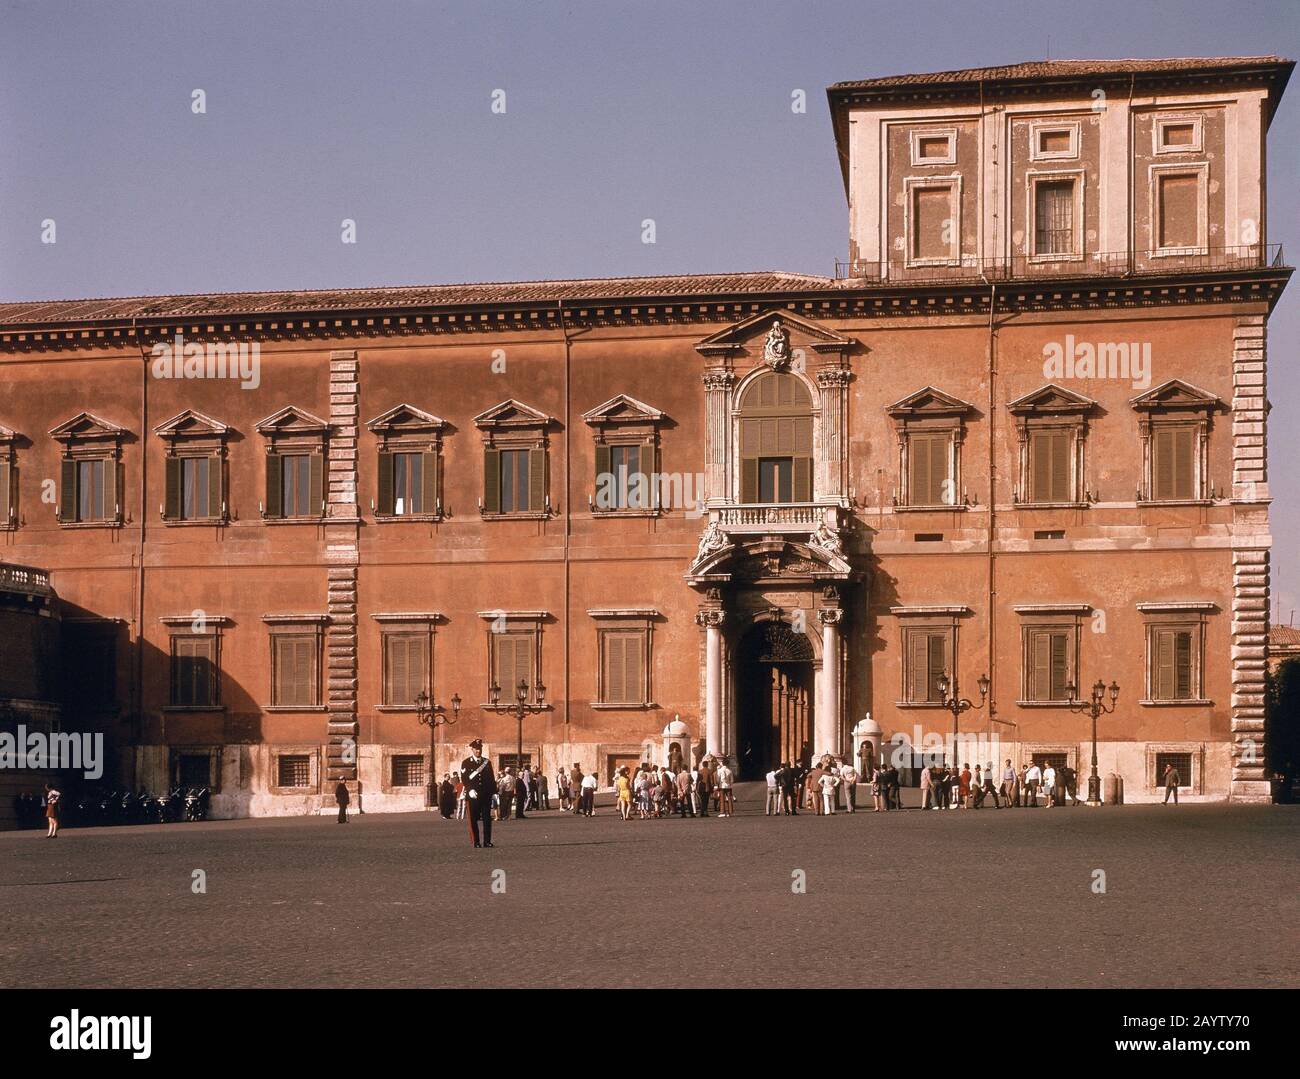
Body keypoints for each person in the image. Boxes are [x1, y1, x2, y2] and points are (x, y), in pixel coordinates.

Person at [461, 739, 497, 848]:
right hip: (473, 795)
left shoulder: (487, 762)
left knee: (487, 819)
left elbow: (491, 778)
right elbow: (464, 778)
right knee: (473, 819)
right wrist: (470, 789)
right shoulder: (466, 763)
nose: (478, 751)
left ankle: (487, 841)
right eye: (476, 749)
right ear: (472, 749)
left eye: (480, 749)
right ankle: (476, 841)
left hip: (485, 795)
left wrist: (494, 792)